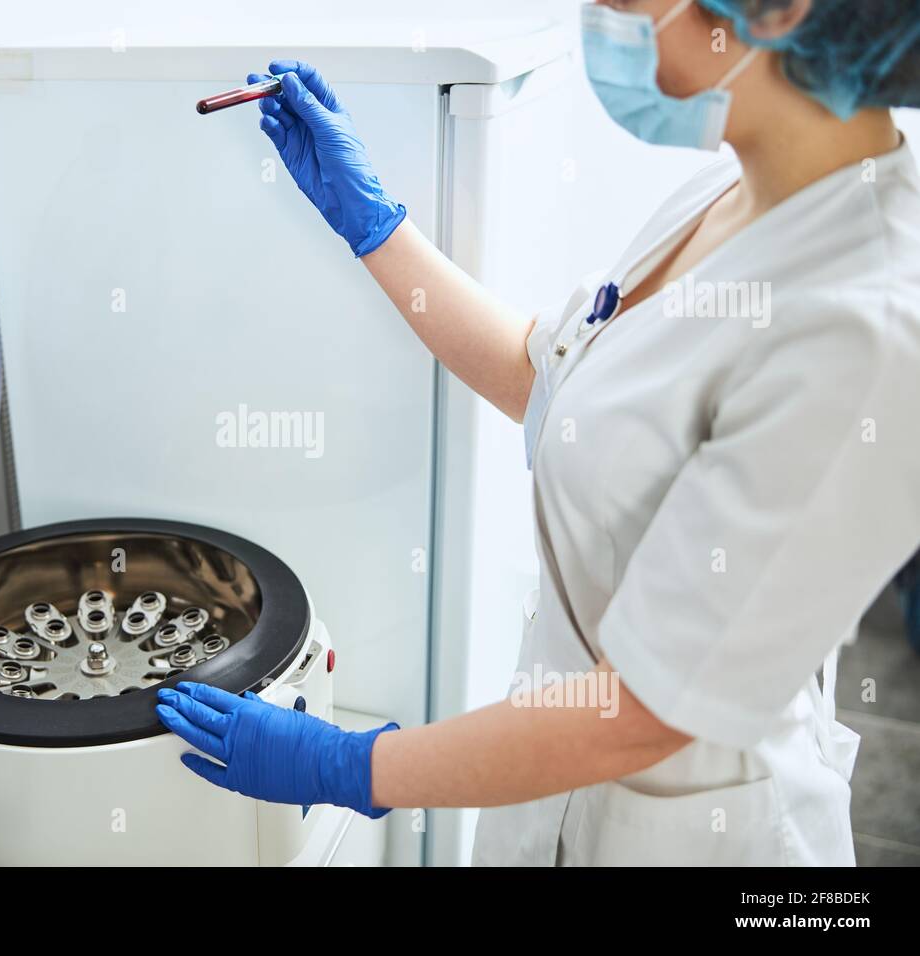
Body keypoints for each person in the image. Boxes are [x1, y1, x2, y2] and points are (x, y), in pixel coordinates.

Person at [156, 0, 920, 865]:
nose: (601, 14)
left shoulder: (867, 326)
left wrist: (351, 765)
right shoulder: (732, 192)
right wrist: (373, 225)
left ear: (780, 12)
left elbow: (644, 711)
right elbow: (553, 383)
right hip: (563, 798)